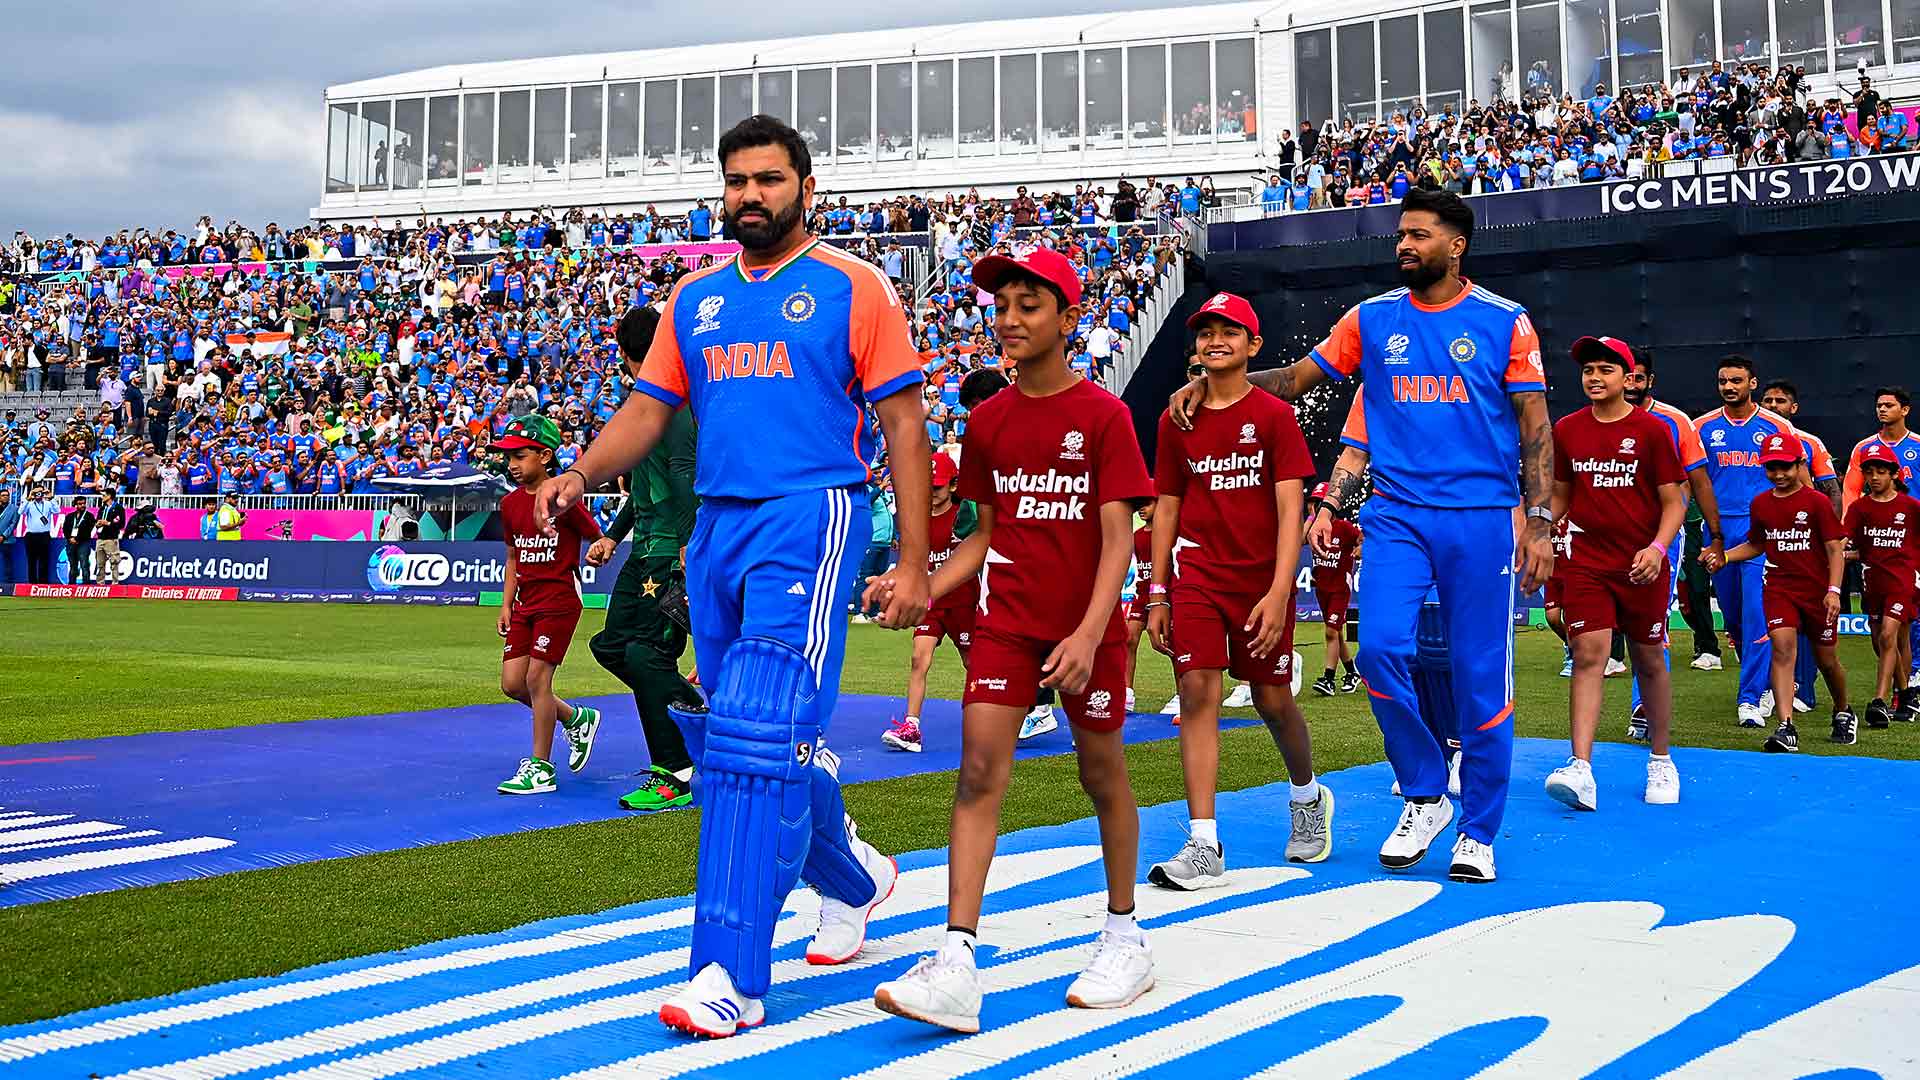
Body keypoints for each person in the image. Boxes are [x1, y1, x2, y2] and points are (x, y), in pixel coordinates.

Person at [535, 115, 925, 1037]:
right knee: (733, 740)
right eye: (737, 180)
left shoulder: (854, 286)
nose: (751, 195)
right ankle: (854, 876)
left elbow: (905, 426)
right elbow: (647, 410)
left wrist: (913, 561)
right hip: (715, 528)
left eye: (769, 179)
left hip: (808, 516)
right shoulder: (695, 298)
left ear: (807, 189)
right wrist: (581, 473)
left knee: (756, 739)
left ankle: (732, 976)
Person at [1179, 187, 1555, 885]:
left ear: (1456, 245)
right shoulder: (1372, 319)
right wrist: (1218, 381)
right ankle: (1425, 792)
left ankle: (1478, 831)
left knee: (1479, 675)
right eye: (1401, 235)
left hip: (1481, 517)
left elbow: (1535, 423)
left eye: (1419, 235)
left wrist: (1539, 521)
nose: (1404, 245)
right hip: (1397, 516)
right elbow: (1297, 379)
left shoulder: (1506, 321)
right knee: (1379, 651)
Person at [870, 245, 1153, 1034]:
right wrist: (919, 583)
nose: (1009, 319)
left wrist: (1090, 634)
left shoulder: (1104, 416)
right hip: (1005, 628)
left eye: (1029, 305)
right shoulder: (989, 421)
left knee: (1102, 775)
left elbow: (1118, 540)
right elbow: (985, 536)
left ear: (1069, 318)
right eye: (1001, 306)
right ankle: (957, 961)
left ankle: (1125, 937)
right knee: (976, 775)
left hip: (1086, 632)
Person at [1145, 290, 1332, 891]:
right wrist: (1157, 592)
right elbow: (1166, 507)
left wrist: (1281, 591)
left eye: (1229, 332)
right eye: (1206, 332)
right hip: (1196, 576)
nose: (1215, 341)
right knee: (1196, 692)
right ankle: (1204, 844)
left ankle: (1307, 796)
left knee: (1272, 701)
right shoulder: (1176, 419)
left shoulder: (1275, 417)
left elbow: (1291, 510)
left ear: (1254, 345)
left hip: (1259, 584)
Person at [1540, 337, 1687, 811]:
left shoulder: (1653, 430)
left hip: (1642, 565)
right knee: (1588, 654)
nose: (1595, 377)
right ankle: (1580, 768)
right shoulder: (1567, 429)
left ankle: (1661, 760)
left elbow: (1674, 501)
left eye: (1606, 369)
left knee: (1649, 659)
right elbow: (1561, 492)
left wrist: (1658, 548)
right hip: (1586, 562)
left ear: (1629, 378)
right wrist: (1537, 529)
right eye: (1588, 370)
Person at [586, 306, 706, 813]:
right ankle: (695, 713)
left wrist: (687, 549)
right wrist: (613, 536)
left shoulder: (673, 405)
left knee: (646, 655)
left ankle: (676, 770)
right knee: (611, 646)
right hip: (645, 552)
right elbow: (645, 486)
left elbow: (682, 476)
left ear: (624, 355)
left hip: (669, 554)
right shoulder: (651, 404)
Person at [1709, 432, 1855, 750]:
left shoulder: (1816, 502)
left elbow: (1835, 550)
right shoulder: (1761, 503)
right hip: (1778, 588)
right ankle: (1786, 726)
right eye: (1771, 467)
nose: (1778, 474)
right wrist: (1725, 557)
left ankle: (1843, 710)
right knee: (1782, 649)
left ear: (1800, 464)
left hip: (1817, 592)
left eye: (1785, 467)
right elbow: (1757, 544)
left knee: (1827, 661)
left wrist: (1833, 590)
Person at [490, 413, 605, 796]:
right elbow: (512, 556)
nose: (512, 464)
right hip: (525, 603)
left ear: (545, 456)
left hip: (559, 599)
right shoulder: (509, 505)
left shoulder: (564, 500)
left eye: (520, 455)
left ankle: (540, 768)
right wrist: (506, 605)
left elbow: (596, 536)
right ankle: (575, 719)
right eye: (508, 457)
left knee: (537, 679)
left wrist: (601, 548)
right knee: (512, 684)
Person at [1696, 357, 1804, 727]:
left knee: (1758, 614)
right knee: (1734, 618)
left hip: (1763, 532)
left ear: (1752, 383)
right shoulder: (1702, 428)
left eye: (1737, 380)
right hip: (1718, 533)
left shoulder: (1777, 425)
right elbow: (1691, 482)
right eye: (1723, 381)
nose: (1729, 387)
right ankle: (1766, 680)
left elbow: (1798, 478)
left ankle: (1750, 698)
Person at [1623, 348, 1726, 723]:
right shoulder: (1594, 420)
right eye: (1626, 376)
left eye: (1638, 377)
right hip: (1610, 535)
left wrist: (1716, 534)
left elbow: (1700, 482)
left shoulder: (1674, 421)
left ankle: (1646, 706)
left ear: (1649, 380)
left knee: (1653, 618)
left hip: (1661, 535)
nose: (1631, 384)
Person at [882, 452, 976, 754]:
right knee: (918, 659)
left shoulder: (966, 517)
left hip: (964, 603)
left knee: (973, 664)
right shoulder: (916, 521)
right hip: (931, 604)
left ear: (953, 485)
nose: (931, 493)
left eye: (937, 487)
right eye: (927, 486)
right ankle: (911, 727)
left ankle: (992, 721)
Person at [1761, 378, 1843, 715]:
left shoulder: (1810, 443)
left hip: (1811, 561)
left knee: (1822, 652)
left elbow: (1832, 491)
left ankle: (1810, 692)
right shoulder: (1757, 444)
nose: (1773, 406)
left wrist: (1827, 539)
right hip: (1774, 557)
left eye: (1780, 401)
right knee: (1775, 635)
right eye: (1768, 400)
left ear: (1793, 407)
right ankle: (1782, 712)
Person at [1842, 442, 1920, 727]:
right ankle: (1907, 693)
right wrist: (1836, 554)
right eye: (1869, 472)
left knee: (1890, 635)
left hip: (1903, 581)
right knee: (1883, 641)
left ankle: (1880, 701)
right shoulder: (1859, 508)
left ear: (1894, 474)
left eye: (1881, 471)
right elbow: (1849, 544)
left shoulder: (1911, 507)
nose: (1874, 477)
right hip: (1872, 582)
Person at [1307, 480, 1362, 696]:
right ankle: (1351, 672)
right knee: (1336, 632)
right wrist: (1311, 518)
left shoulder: (1344, 528)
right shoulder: (1312, 530)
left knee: (1331, 631)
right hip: (1322, 589)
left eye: (1318, 502)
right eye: (1312, 502)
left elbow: (1363, 539)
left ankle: (1328, 679)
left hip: (1339, 589)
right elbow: (1299, 540)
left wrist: (1360, 548)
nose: (1314, 506)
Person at [22, 484, 58, 585]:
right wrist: (28, 498)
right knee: (31, 561)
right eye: (36, 492)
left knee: (44, 560)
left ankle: (43, 583)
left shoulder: (48, 503)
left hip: (44, 535)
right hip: (31, 535)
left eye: (40, 492)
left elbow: (57, 511)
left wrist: (51, 498)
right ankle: (32, 583)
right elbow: (20, 512)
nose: (38, 494)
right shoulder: (29, 504)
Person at [93, 489, 128, 586]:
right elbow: (97, 520)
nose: (102, 497)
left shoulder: (118, 508)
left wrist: (107, 523)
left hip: (111, 538)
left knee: (114, 562)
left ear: (109, 496)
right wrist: (98, 524)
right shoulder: (102, 508)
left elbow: (121, 524)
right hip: (100, 538)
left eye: (104, 495)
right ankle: (100, 583)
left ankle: (115, 583)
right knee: (100, 563)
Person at [62, 496, 98, 586]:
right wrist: (70, 538)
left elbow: (88, 530)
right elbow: (65, 529)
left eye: (84, 503)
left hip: (83, 543)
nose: (82, 505)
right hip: (71, 543)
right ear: (75, 505)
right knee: (73, 565)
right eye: (80, 504)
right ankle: (71, 585)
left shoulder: (89, 516)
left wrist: (77, 539)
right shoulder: (70, 516)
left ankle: (86, 585)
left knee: (84, 564)